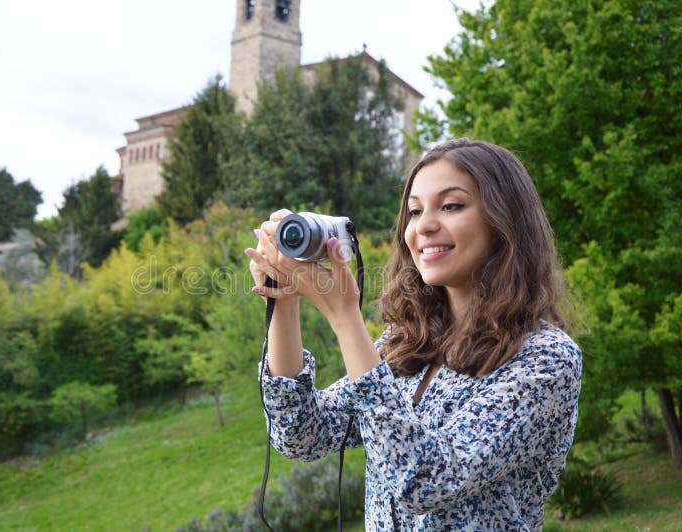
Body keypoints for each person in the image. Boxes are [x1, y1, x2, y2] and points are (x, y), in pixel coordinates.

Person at [244, 138, 582, 531]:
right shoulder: (405, 342)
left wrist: (345, 318)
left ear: (504, 219)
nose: (423, 226)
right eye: (415, 211)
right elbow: (302, 433)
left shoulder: (545, 358)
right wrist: (284, 301)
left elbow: (425, 481)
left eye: (451, 205)